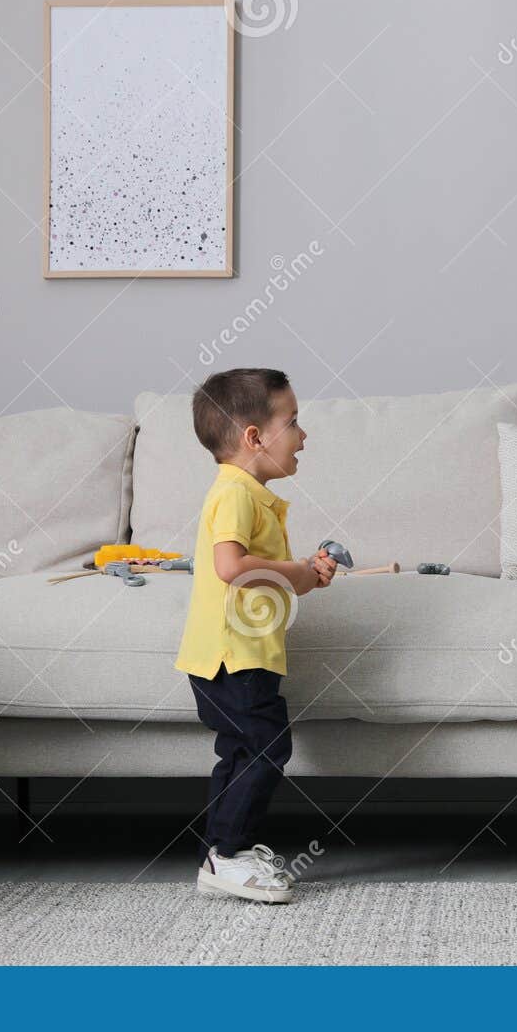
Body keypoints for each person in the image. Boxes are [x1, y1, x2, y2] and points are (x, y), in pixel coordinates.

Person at [175, 367, 338, 904]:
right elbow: (230, 566)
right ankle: (228, 853)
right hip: (233, 655)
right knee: (266, 747)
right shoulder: (237, 493)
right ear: (254, 437)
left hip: (237, 652)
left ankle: (223, 853)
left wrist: (305, 577)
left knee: (243, 749)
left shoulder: (248, 494)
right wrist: (293, 570)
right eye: (293, 422)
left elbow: (259, 578)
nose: (304, 435)